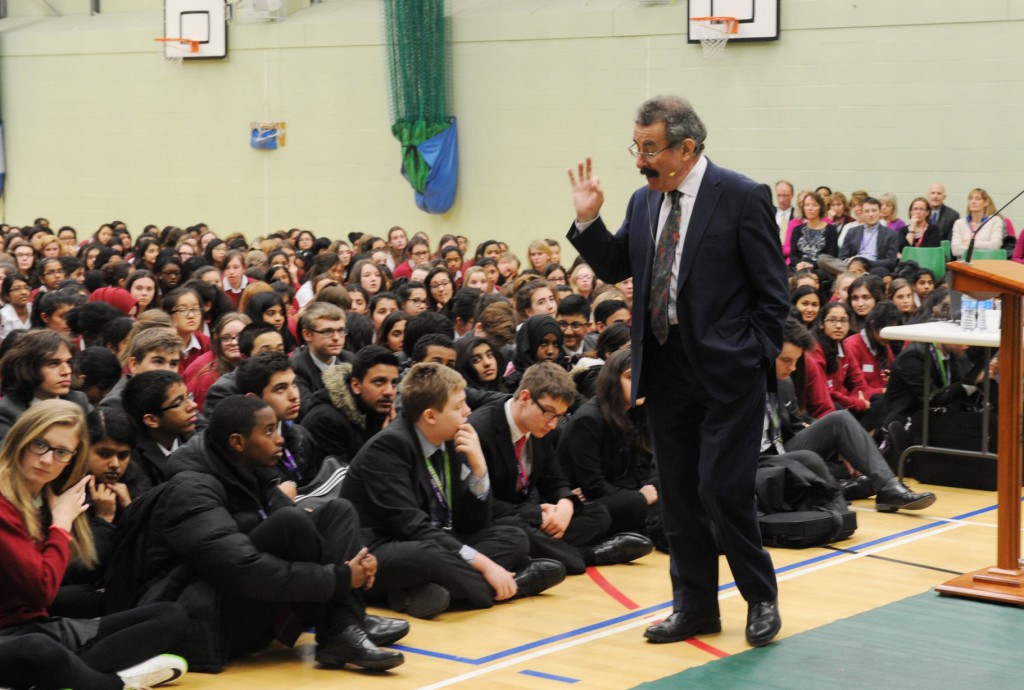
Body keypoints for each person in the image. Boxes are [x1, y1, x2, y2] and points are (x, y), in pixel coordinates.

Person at [567, 95, 787, 647]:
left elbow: (773, 294)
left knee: (723, 488)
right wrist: (588, 218)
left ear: (686, 148)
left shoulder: (741, 195)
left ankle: (760, 598)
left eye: (650, 149)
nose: (640, 161)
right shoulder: (645, 201)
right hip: (664, 366)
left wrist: (753, 353)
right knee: (680, 494)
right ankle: (694, 608)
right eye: (636, 147)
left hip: (727, 370)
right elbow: (620, 265)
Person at [111, 395, 406, 672]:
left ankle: (344, 626)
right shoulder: (192, 490)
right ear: (238, 442)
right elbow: (242, 568)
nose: (279, 439)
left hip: (238, 599)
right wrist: (341, 578)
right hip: (204, 621)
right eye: (268, 431)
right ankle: (344, 625)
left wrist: (359, 565)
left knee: (336, 511)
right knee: (291, 521)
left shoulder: (253, 470)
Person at [341, 363, 566, 618]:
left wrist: (479, 470)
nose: (468, 411)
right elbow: (412, 528)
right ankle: (513, 586)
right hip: (382, 551)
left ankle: (418, 592)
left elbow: (472, 522)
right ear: (430, 416)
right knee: (429, 555)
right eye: (459, 407)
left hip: (437, 538)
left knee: (513, 537)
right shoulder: (389, 447)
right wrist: (487, 565)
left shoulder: (449, 440)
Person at [0, 400, 190, 689]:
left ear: (73, 458)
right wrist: (61, 524)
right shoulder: (8, 500)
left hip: (38, 626)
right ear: (20, 439)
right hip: (15, 637)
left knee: (171, 615)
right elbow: (42, 590)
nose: (48, 460)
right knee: (40, 649)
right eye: (39, 445)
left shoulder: (54, 495)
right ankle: (112, 684)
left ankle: (63, 677)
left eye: (61, 452)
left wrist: (126, 514)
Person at [471, 362, 653, 575]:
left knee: (598, 514)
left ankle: (545, 554)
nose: (552, 424)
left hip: (535, 516)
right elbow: (481, 503)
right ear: (525, 397)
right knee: (519, 534)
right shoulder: (481, 431)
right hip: (498, 519)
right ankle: (588, 555)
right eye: (549, 413)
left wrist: (565, 503)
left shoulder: (540, 429)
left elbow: (555, 480)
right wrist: (537, 513)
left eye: (559, 416)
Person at [772, 319, 936, 511]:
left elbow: (795, 423)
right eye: (786, 360)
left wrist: (822, 434)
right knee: (824, 458)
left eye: (796, 361)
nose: (792, 367)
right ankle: (849, 485)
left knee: (841, 419)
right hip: (764, 458)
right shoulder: (747, 383)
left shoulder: (785, 382)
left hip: (787, 447)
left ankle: (888, 487)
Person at [558, 350, 660, 538]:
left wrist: (641, 492)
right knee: (638, 504)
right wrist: (638, 496)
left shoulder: (638, 413)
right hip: (586, 503)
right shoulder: (588, 419)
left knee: (667, 487)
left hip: (619, 492)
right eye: (631, 377)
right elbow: (593, 486)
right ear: (613, 380)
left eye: (644, 377)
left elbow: (646, 469)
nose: (640, 383)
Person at [0, 330, 91, 441]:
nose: (66, 371)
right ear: (27, 368)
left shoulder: (78, 400)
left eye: (68, 362)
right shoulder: (6, 411)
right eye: (53, 363)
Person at [121, 370, 199, 496]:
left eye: (188, 397)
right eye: (178, 403)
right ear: (152, 420)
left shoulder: (196, 439)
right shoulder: (133, 461)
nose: (193, 405)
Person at [291, 302, 354, 419]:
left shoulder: (350, 360)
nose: (336, 338)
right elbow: (306, 411)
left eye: (340, 330)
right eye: (327, 332)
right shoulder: (296, 367)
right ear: (307, 335)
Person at [950, 187, 1005, 258]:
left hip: (986, 264)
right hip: (963, 266)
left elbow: (995, 246)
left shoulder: (995, 221)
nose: (973, 202)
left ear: (986, 202)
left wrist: (971, 243)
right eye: (970, 199)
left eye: (977, 199)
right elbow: (955, 250)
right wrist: (984, 249)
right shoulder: (959, 223)